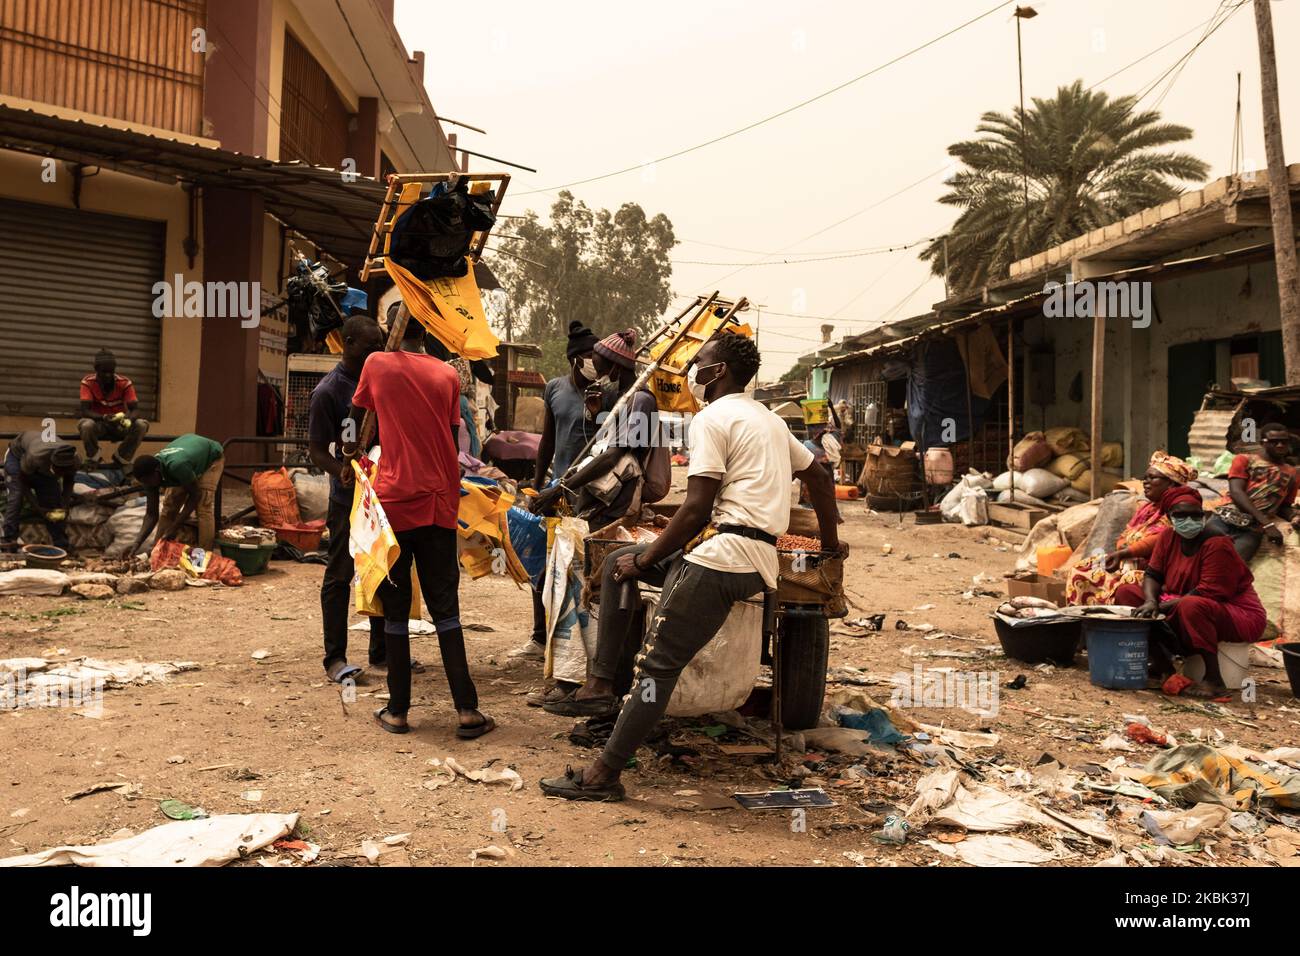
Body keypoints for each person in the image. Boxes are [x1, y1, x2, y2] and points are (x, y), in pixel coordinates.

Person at [539, 334, 842, 801]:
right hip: (756, 557)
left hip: (725, 556)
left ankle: (604, 776)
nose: (691, 370)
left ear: (717, 372)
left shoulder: (712, 419)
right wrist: (831, 545)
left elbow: (697, 508)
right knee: (620, 560)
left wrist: (651, 554)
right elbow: (820, 479)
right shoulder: (770, 419)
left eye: (698, 362)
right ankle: (600, 683)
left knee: (655, 669)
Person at [343, 305, 494, 738]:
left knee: (395, 611)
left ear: (391, 330)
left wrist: (349, 451)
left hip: (395, 502)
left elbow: (357, 421)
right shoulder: (447, 375)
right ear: (428, 328)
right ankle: (467, 711)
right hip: (439, 501)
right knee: (446, 609)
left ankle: (399, 711)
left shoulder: (376, 364)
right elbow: (451, 440)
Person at [509, 320, 606, 663]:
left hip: (592, 498)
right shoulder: (554, 388)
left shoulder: (608, 393)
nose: (596, 362)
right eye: (591, 356)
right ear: (575, 359)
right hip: (555, 495)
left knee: (584, 572)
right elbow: (547, 442)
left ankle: (581, 647)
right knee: (545, 564)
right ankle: (540, 636)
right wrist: (536, 488)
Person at [1113, 486, 1267, 695]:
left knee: (1192, 605)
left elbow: (1210, 592)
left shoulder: (1216, 543)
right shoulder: (1168, 537)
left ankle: (1214, 678)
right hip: (1185, 601)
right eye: (1181, 515)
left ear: (1203, 516)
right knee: (1126, 594)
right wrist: (1150, 601)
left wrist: (1160, 607)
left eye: (1195, 515)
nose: (1189, 520)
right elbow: (1153, 574)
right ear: (1170, 517)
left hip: (1234, 610)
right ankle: (1163, 666)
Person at [308, 315, 390, 684]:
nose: (378, 352)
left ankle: (382, 652)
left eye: (381, 345)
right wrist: (343, 470)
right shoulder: (328, 392)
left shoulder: (384, 382)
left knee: (382, 572)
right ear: (349, 343)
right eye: (371, 346)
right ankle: (335, 658)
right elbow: (316, 451)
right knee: (340, 574)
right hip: (347, 497)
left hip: (383, 494)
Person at [1067, 451, 1197, 605]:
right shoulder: (1147, 509)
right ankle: (1083, 620)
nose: (1145, 482)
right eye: (1145, 478)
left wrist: (1125, 553)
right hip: (1128, 563)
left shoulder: (1180, 509)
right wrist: (1122, 553)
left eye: (1152, 478)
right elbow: (1125, 536)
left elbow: (1161, 539)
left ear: (1171, 483)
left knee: (1124, 581)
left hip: (1155, 573)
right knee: (1082, 569)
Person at [1206, 423, 1299, 561]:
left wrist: (1294, 517)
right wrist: (1267, 523)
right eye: (1274, 442)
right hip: (1225, 518)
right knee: (1203, 558)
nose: (1280, 445)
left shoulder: (1292, 473)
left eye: (1284, 442)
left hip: (1252, 529)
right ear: (1262, 442)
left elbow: (1283, 506)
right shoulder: (1245, 459)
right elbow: (1237, 492)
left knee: (1233, 567)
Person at [129, 434, 224, 553]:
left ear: (157, 472)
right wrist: (137, 543)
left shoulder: (177, 466)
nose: (149, 485)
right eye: (145, 483)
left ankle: (203, 557)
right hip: (187, 459)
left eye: (149, 481)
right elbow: (151, 514)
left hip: (211, 458)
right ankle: (157, 551)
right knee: (169, 507)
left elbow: (196, 495)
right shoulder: (148, 476)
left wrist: (174, 527)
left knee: (203, 507)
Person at [1, 431, 79, 552]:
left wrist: (65, 504)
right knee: (16, 497)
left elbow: (69, 482)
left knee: (53, 502)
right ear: (52, 464)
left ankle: (61, 544)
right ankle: (9, 541)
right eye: (58, 471)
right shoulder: (35, 456)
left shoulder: (74, 459)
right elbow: (23, 483)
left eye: (63, 473)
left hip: (41, 464)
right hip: (17, 456)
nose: (60, 475)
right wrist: (38, 508)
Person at [78, 349, 149, 466]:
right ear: (96, 369)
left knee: (142, 424)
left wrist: (128, 420)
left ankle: (121, 458)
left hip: (119, 425)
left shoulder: (125, 383)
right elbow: (85, 411)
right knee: (86, 425)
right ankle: (94, 458)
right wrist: (104, 417)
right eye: (104, 371)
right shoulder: (87, 382)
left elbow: (135, 409)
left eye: (111, 371)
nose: (108, 375)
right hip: (99, 424)